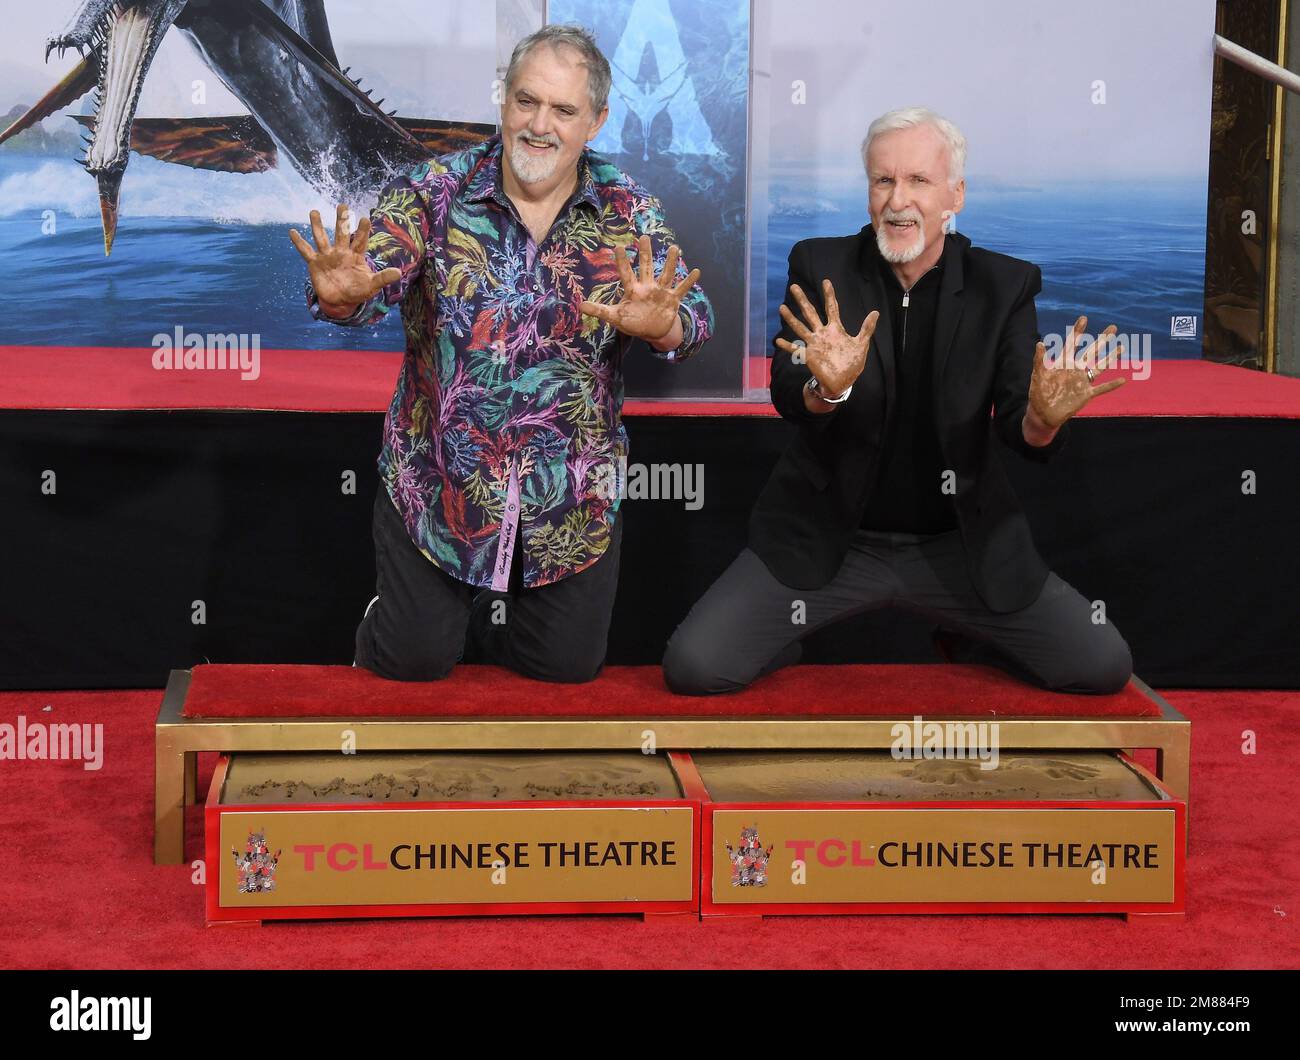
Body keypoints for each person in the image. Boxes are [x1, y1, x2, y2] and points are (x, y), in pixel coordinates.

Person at [290, 24, 713, 682]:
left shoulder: (628, 210)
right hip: (439, 484)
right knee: (415, 661)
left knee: (564, 670)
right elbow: (376, 275)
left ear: (596, 121)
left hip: (570, 495)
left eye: (563, 110)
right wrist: (345, 295)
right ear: (504, 100)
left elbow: (693, 319)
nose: (538, 125)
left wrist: (664, 325)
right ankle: (401, 624)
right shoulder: (432, 189)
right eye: (525, 101)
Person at [664, 106, 1131, 695]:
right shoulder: (821, 264)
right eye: (883, 180)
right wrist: (826, 389)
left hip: (959, 547)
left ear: (954, 195)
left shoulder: (1005, 285)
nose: (897, 199)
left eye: (918, 181)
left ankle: (972, 636)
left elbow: (1023, 426)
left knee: (1101, 665)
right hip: (831, 539)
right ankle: (784, 640)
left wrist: (1040, 420)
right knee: (696, 667)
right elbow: (790, 389)